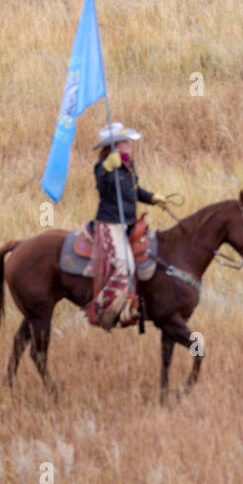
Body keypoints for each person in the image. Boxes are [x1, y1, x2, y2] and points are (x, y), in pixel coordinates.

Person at [89, 122, 168, 330]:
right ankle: (101, 303)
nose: (128, 145)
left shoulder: (128, 165)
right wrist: (107, 169)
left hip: (129, 223)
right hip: (110, 223)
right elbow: (103, 189)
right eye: (124, 142)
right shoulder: (102, 167)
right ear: (113, 146)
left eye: (127, 142)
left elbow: (135, 191)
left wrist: (153, 198)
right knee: (126, 265)